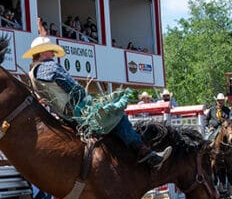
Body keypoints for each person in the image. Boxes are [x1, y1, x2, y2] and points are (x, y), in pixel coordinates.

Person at [23, 37, 170, 168]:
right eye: (50, 51)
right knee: (117, 115)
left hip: (67, 116)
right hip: (80, 110)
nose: (53, 55)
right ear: (42, 53)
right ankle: (143, 152)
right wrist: (87, 98)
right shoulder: (49, 66)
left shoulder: (32, 73)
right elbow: (71, 86)